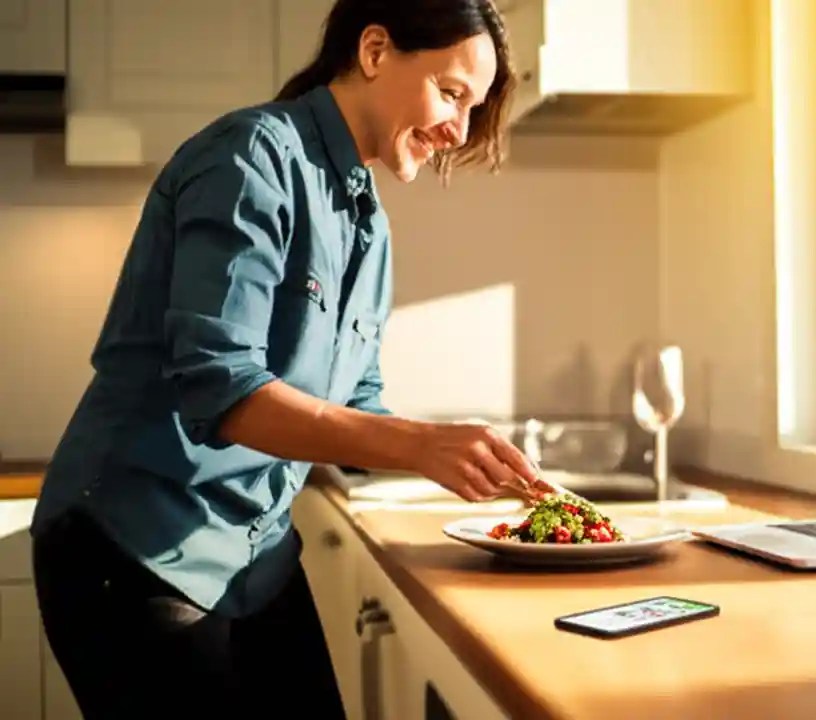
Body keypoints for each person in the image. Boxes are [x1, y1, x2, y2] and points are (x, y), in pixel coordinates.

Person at [29, 1, 553, 717]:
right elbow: (223, 388)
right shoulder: (251, 158)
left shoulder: (369, 221)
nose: (458, 130)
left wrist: (472, 471)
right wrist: (423, 444)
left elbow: (356, 406)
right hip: (137, 543)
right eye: (451, 92)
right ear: (375, 50)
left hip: (255, 554)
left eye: (473, 105)